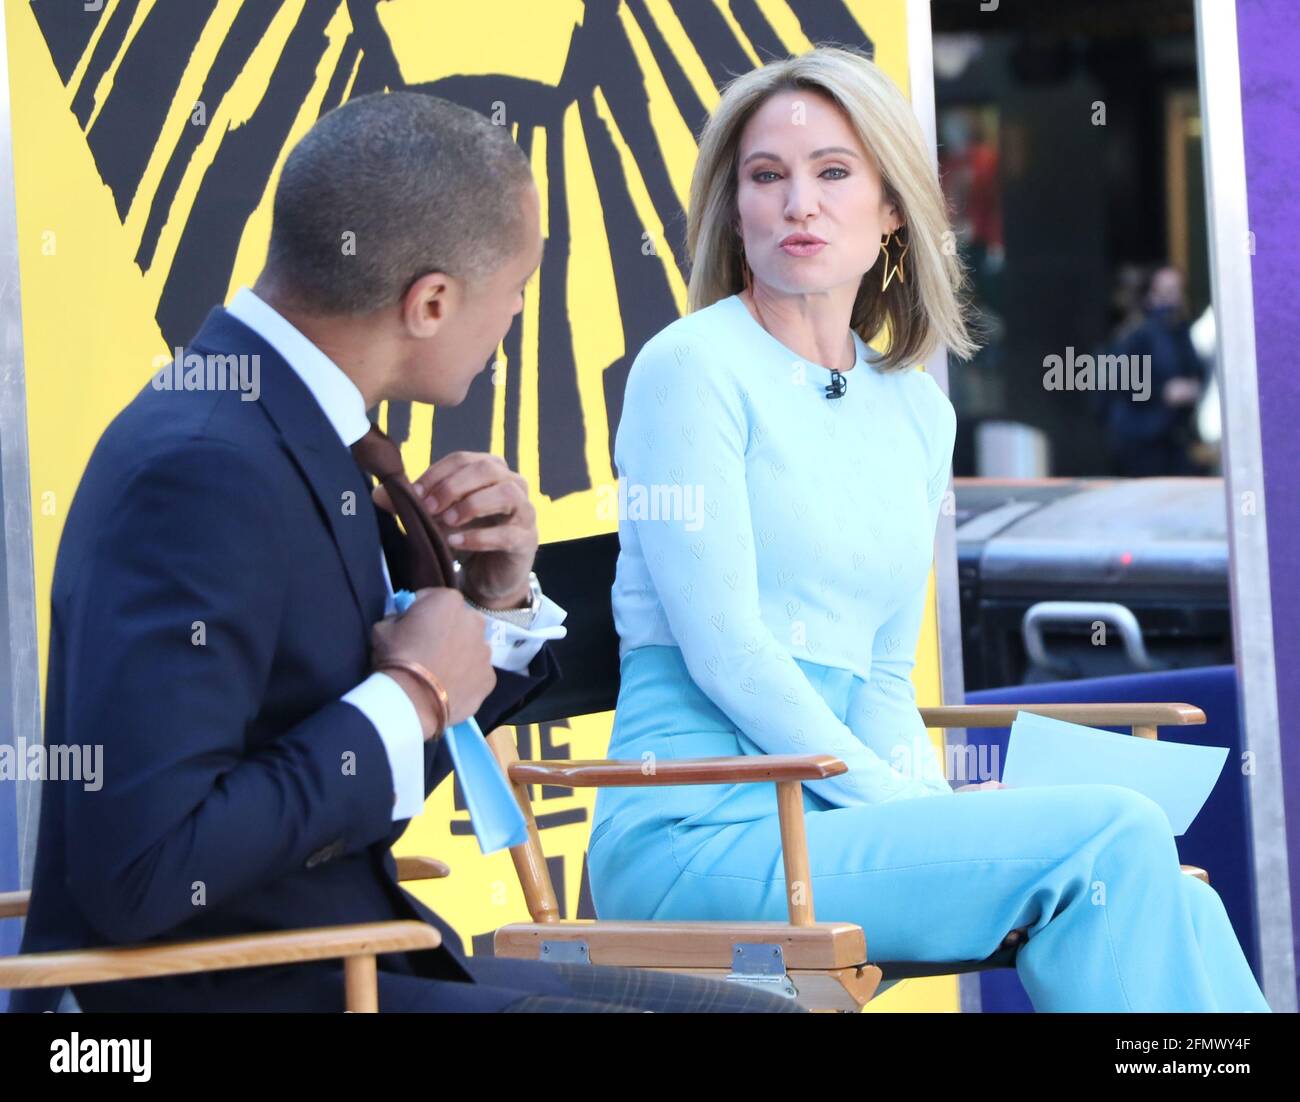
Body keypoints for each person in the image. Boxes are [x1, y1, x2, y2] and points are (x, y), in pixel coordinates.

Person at [12, 92, 800, 1013]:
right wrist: (411, 694)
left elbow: (334, 781)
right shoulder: (203, 465)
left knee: (760, 1009)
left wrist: (495, 617)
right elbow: (142, 868)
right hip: (202, 1004)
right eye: (516, 288)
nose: (513, 317)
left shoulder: (286, 428)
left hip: (346, 960)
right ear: (429, 301)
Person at [586, 46, 1270, 1013]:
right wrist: (911, 804)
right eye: (767, 177)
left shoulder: (912, 408)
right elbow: (728, 653)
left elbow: (877, 676)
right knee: (1109, 836)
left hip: (827, 819)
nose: (799, 205)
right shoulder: (690, 368)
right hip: (699, 830)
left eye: (833, 173)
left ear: (893, 207)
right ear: (734, 208)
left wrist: (921, 800)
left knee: (1164, 885)